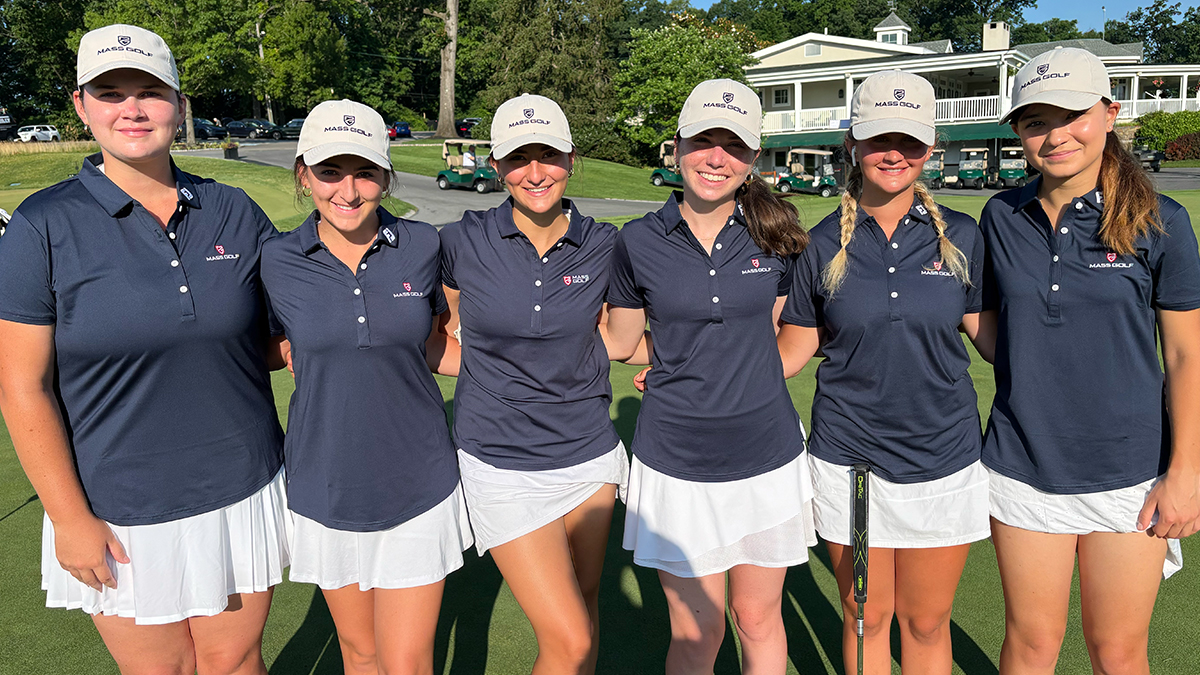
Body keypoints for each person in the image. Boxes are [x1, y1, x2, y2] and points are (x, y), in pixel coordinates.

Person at [0, 24, 288, 674]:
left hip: (242, 486)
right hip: (117, 509)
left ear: (179, 105)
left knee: (235, 662)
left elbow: (279, 337)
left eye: (150, 92)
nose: (132, 109)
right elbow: (21, 387)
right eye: (110, 93)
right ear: (81, 106)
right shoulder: (41, 225)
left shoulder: (233, 210)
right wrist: (68, 518)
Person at [982, 47, 1200, 674]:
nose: (1056, 136)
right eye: (1036, 122)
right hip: (1022, 463)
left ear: (1109, 113)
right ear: (1019, 131)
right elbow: (988, 321)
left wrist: (1185, 471)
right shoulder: (1001, 215)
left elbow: (1186, 354)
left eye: (1073, 115)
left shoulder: (1161, 220)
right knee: (1031, 645)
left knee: (1118, 650)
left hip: (1131, 470)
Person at [776, 71, 990, 675]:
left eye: (909, 141)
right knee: (866, 616)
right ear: (853, 144)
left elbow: (993, 339)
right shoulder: (821, 243)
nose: (893, 154)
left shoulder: (962, 236)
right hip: (852, 463)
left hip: (943, 457)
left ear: (931, 147)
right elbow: (791, 349)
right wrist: (688, 370)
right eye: (878, 139)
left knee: (925, 621)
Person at [603, 79, 813, 675]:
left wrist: (732, 375)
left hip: (767, 455)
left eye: (734, 145)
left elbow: (779, 333)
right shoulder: (638, 240)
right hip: (675, 461)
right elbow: (624, 343)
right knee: (699, 634)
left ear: (753, 158)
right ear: (676, 148)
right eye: (703, 142)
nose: (716, 158)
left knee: (758, 620)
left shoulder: (777, 233)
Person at [260, 99, 472, 675]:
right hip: (325, 480)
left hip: (419, 477)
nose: (349, 191)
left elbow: (433, 344)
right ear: (304, 175)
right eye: (330, 171)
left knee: (406, 662)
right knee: (360, 653)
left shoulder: (423, 244)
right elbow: (266, 348)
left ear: (386, 175)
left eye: (366, 172)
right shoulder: (277, 259)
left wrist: (534, 368)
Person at [438, 94, 634, 675]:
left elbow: (621, 335)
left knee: (585, 608)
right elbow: (438, 333)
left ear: (570, 159)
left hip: (588, 454)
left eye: (548, 155)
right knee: (569, 639)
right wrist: (493, 375)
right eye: (519, 158)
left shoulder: (605, 244)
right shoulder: (462, 240)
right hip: (501, 462)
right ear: (497, 165)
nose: (535, 172)